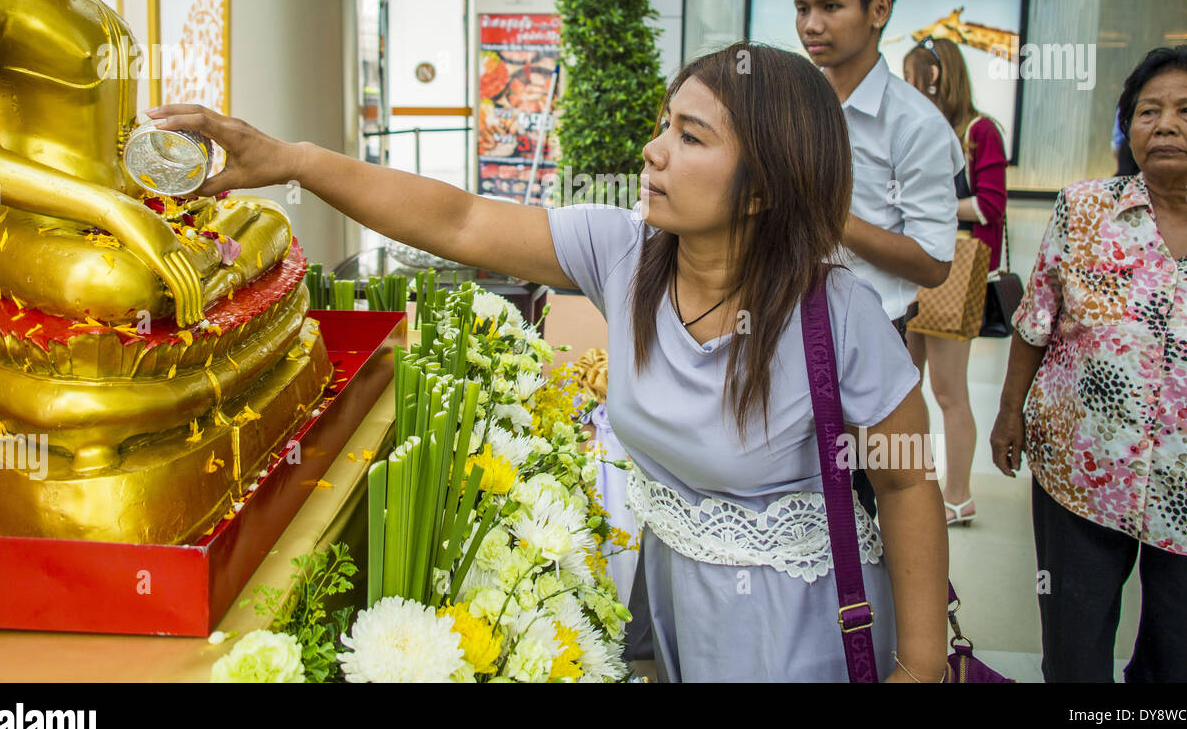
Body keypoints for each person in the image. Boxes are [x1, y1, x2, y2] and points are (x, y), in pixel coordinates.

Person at [147, 42, 950, 683]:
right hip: (673, 612)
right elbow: (459, 220)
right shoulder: (624, 253)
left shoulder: (834, 315)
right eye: (665, 124)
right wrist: (293, 160)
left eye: (690, 136)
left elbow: (908, 482)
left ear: (763, 189)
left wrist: (920, 665)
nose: (653, 150)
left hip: (796, 630)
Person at [991, 45, 1187, 683]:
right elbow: (1036, 321)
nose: (1162, 125)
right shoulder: (1083, 211)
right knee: (1074, 655)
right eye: (1146, 111)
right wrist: (1008, 412)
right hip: (1083, 469)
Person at [794, 0, 965, 517]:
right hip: (783, 318)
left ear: (878, 11)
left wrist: (831, 219)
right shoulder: (795, 104)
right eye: (802, 8)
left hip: (872, 332)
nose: (811, 24)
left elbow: (933, 261)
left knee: (878, 499)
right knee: (797, 494)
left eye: (829, 7)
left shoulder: (914, 125)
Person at [901, 36, 1009, 526]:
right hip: (909, 265)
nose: (908, 87)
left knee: (948, 390)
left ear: (938, 77)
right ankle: (906, 486)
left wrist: (926, 207)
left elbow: (989, 205)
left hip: (955, 266)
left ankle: (958, 494)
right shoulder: (915, 127)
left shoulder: (979, 130)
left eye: (915, 77)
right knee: (901, 385)